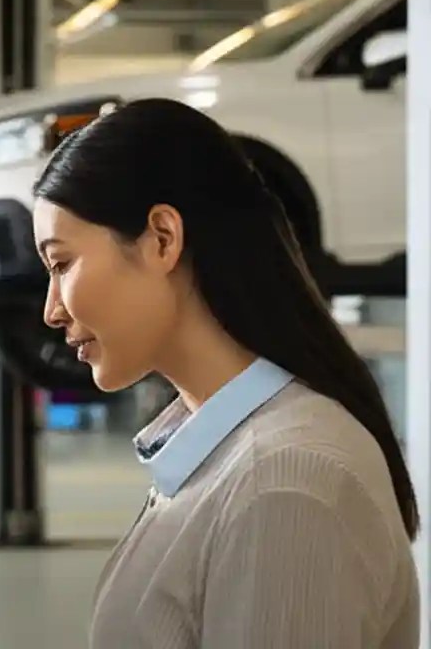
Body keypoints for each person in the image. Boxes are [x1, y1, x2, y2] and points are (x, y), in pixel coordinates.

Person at [31, 97, 419, 648]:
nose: (52, 309)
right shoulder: (226, 458)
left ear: (162, 238)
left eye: (62, 263)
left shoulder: (284, 486)